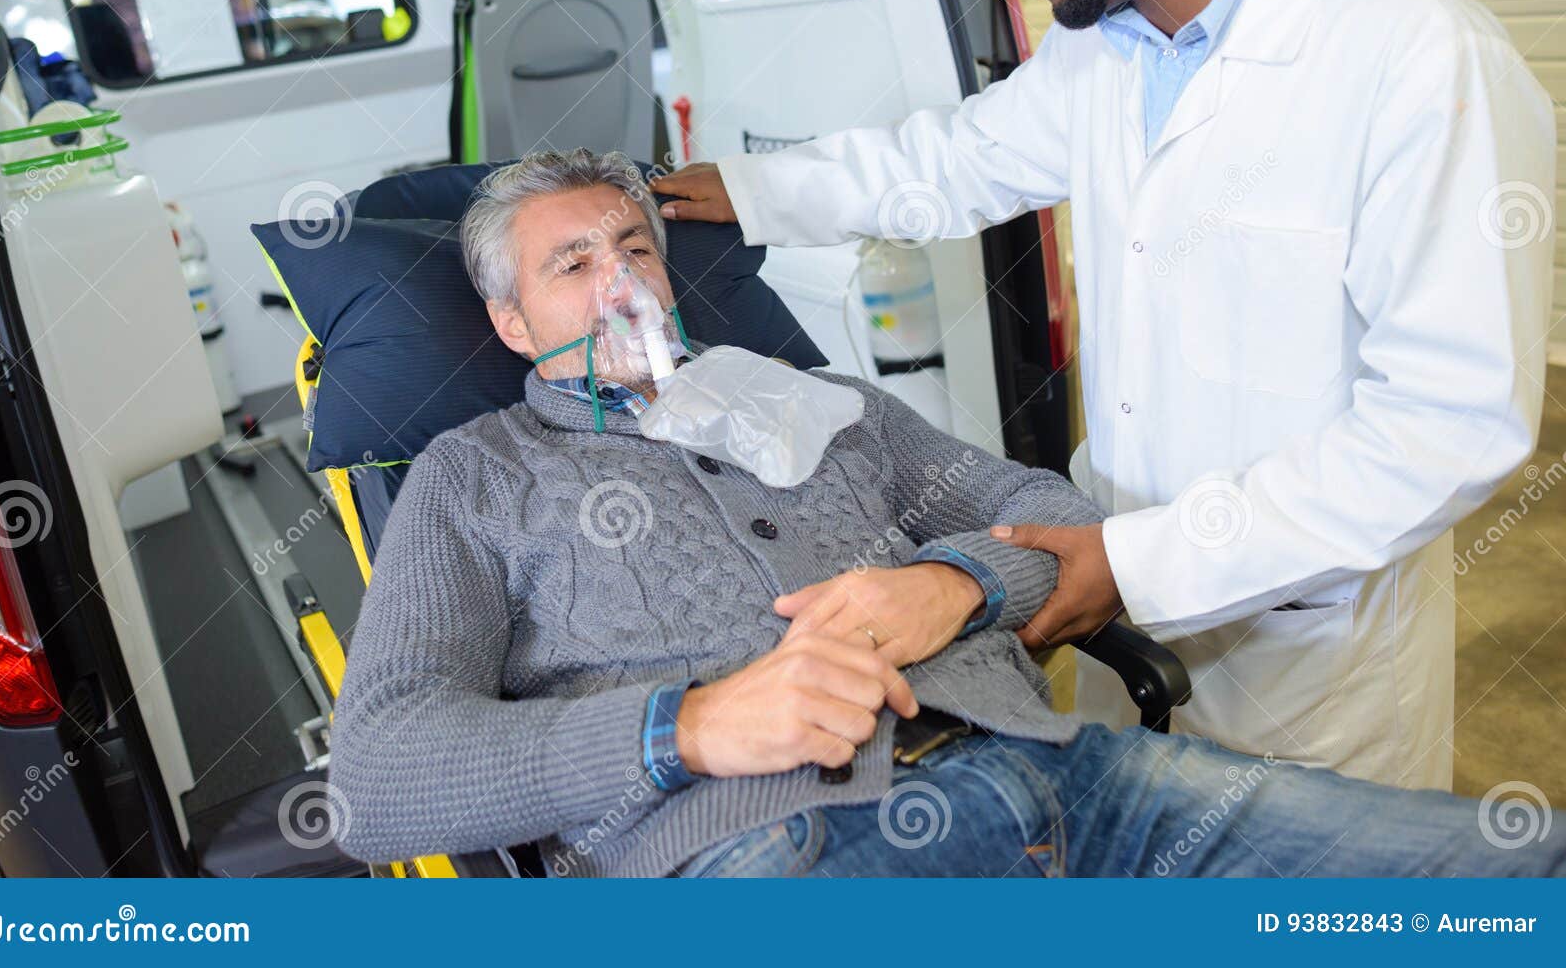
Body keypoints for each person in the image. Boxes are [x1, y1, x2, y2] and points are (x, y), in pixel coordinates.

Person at [326, 150, 1564, 878]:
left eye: (634, 248)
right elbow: (380, 776)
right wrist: (685, 728)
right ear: (507, 325)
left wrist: (966, 585)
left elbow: (1046, 513)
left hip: (1080, 790)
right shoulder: (473, 477)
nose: (622, 282)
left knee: (1514, 869)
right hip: (781, 856)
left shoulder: (820, 406)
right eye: (572, 265)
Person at [650, 0, 1558, 790]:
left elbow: (1447, 425)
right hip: (1120, 598)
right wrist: (752, 191)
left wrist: (1137, 563)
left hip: (1305, 662)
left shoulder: (1420, 60)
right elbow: (956, 159)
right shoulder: (1110, 49)